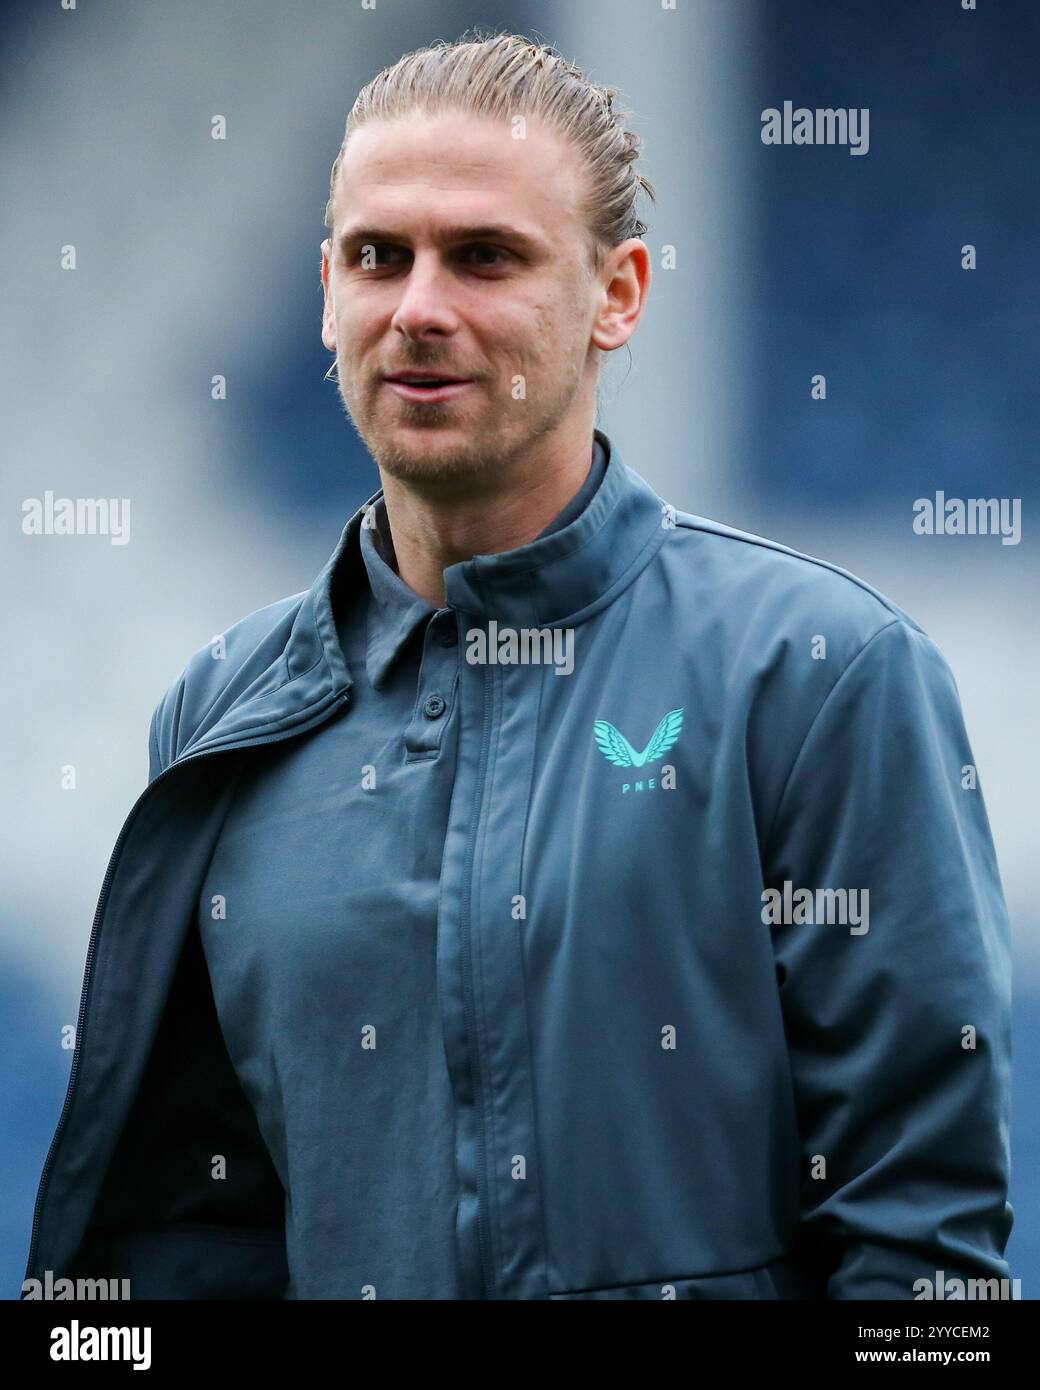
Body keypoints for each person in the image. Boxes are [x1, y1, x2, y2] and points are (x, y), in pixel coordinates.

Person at [24, 31, 1013, 1301]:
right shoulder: (226, 711)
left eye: (485, 256)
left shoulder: (820, 674)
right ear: (327, 290)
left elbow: (920, 1254)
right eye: (380, 256)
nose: (419, 308)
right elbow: (184, 1244)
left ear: (618, 294)